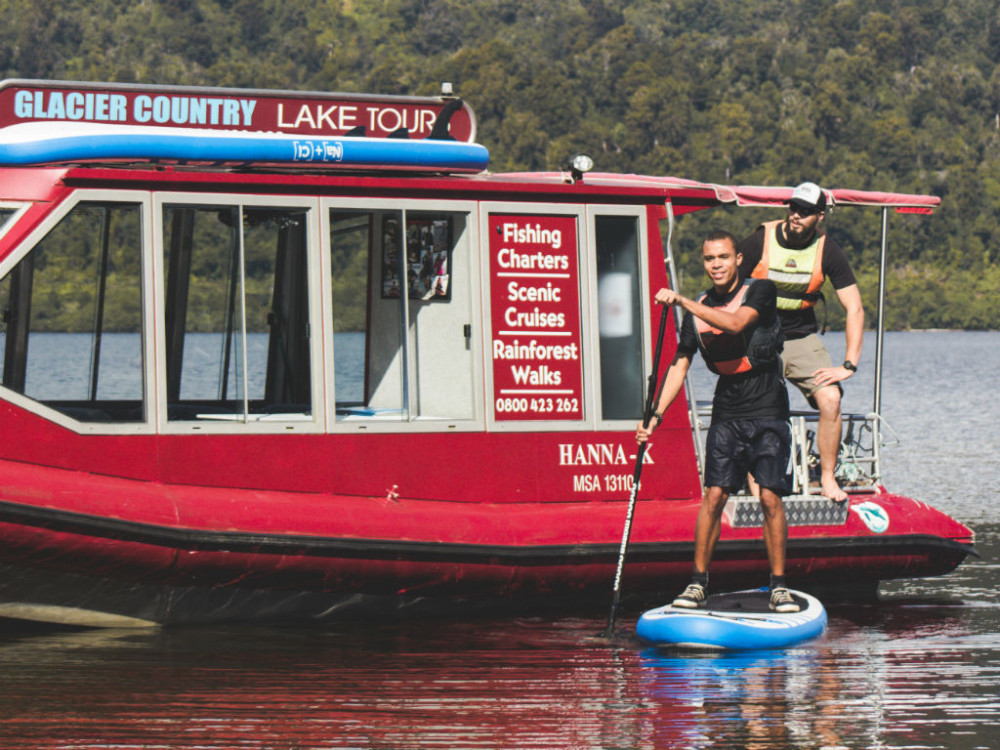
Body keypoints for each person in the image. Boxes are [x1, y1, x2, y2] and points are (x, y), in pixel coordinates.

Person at [636, 230, 798, 613]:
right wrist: (655, 417)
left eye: (723, 257)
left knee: (770, 497)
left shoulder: (761, 290)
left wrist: (682, 301)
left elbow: (737, 324)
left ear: (738, 259)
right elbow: (680, 365)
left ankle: (779, 586)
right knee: (713, 497)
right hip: (728, 412)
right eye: (710, 259)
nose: (717, 265)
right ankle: (697, 584)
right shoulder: (698, 309)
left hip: (768, 409)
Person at [738, 182, 864, 504]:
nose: (796, 215)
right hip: (759, 336)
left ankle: (827, 478)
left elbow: (854, 307)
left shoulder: (827, 249)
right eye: (793, 207)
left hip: (802, 339)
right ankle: (757, 489)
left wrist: (848, 364)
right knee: (759, 404)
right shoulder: (761, 239)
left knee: (831, 399)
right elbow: (727, 281)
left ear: (819, 216)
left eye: (805, 211)